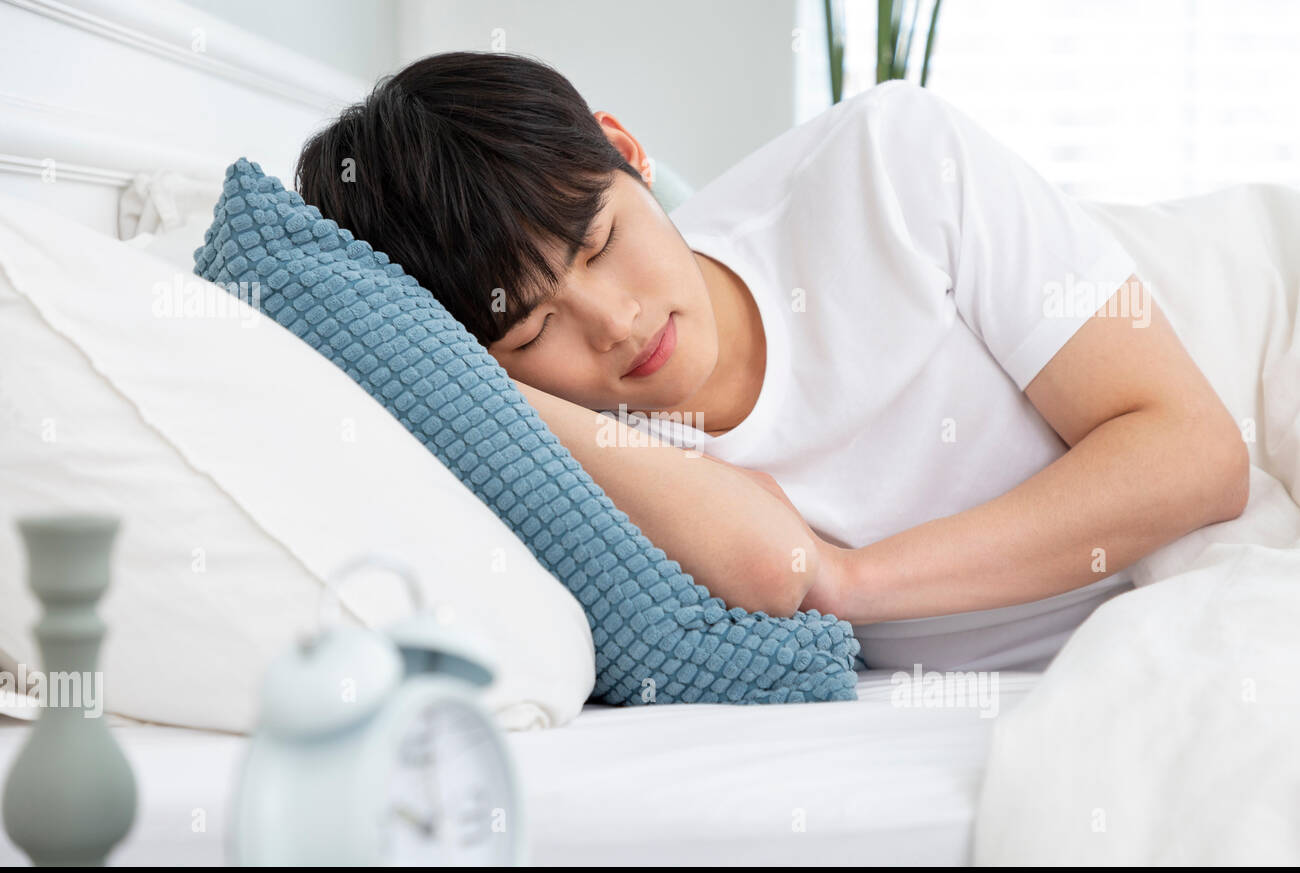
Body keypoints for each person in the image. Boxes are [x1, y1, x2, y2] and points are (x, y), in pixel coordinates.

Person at [295, 51, 1248, 672]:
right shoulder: (577, 440)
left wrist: (860, 581)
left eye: (598, 242)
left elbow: (1198, 456)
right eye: (534, 329)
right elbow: (772, 566)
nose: (616, 325)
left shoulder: (888, 161)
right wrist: (489, 386)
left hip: (1188, 592)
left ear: (625, 150)